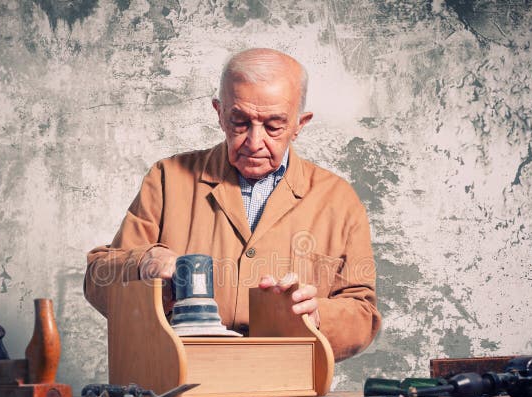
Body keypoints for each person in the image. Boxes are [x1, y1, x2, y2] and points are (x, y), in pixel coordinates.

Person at [84, 48, 381, 361]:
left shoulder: (339, 200)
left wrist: (319, 314)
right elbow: (98, 279)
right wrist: (146, 264)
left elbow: (363, 314)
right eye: (239, 121)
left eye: (273, 126)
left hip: (288, 390)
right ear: (219, 112)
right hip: (180, 384)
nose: (254, 142)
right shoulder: (167, 179)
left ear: (299, 124)